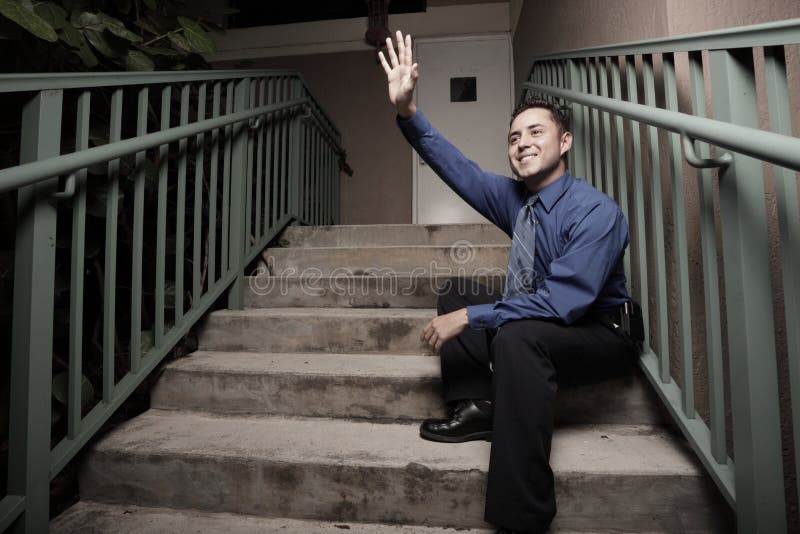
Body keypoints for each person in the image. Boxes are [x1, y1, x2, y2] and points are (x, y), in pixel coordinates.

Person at [378, 31, 643, 534]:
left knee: (513, 331)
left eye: (536, 133)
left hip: (601, 332)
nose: (522, 143)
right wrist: (410, 112)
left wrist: (473, 319)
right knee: (457, 290)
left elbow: (563, 304)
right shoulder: (515, 199)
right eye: (515, 137)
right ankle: (478, 407)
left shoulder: (595, 211)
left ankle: (523, 516)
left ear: (564, 142)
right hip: (550, 321)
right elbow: (458, 169)